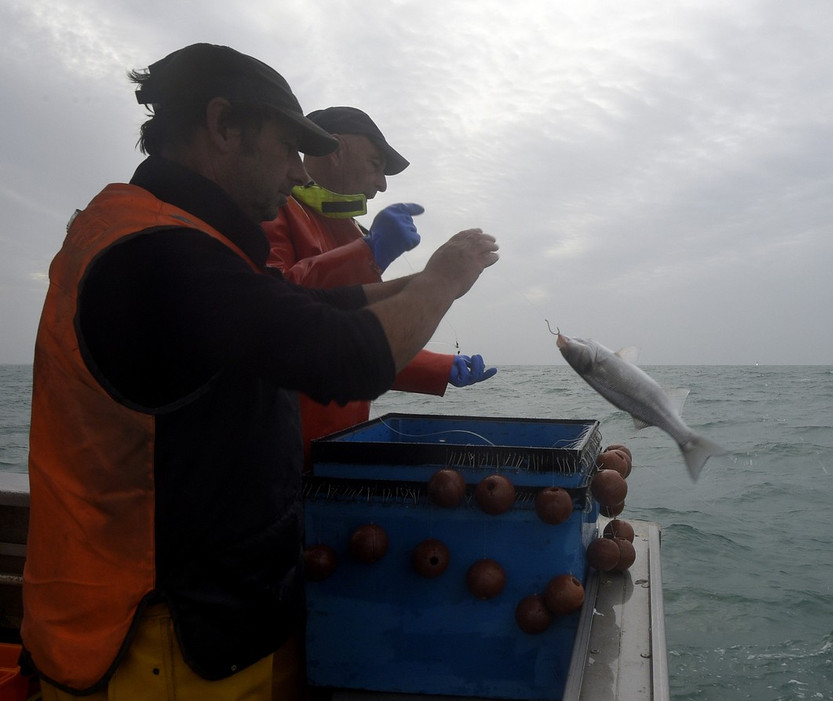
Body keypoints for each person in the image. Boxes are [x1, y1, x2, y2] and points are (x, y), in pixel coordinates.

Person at [22, 43, 497, 699]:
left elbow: (299, 304)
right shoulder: (159, 253)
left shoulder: (171, 236)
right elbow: (345, 357)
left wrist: (411, 283)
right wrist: (445, 280)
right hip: (157, 635)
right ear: (222, 125)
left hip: (211, 621)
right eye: (287, 144)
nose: (299, 168)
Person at [263, 106, 495, 459]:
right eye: (375, 164)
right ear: (336, 149)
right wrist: (370, 253)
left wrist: (438, 367)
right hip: (281, 449)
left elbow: (359, 341)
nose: (383, 183)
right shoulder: (271, 209)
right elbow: (278, 308)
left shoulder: (355, 230)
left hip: (337, 450)